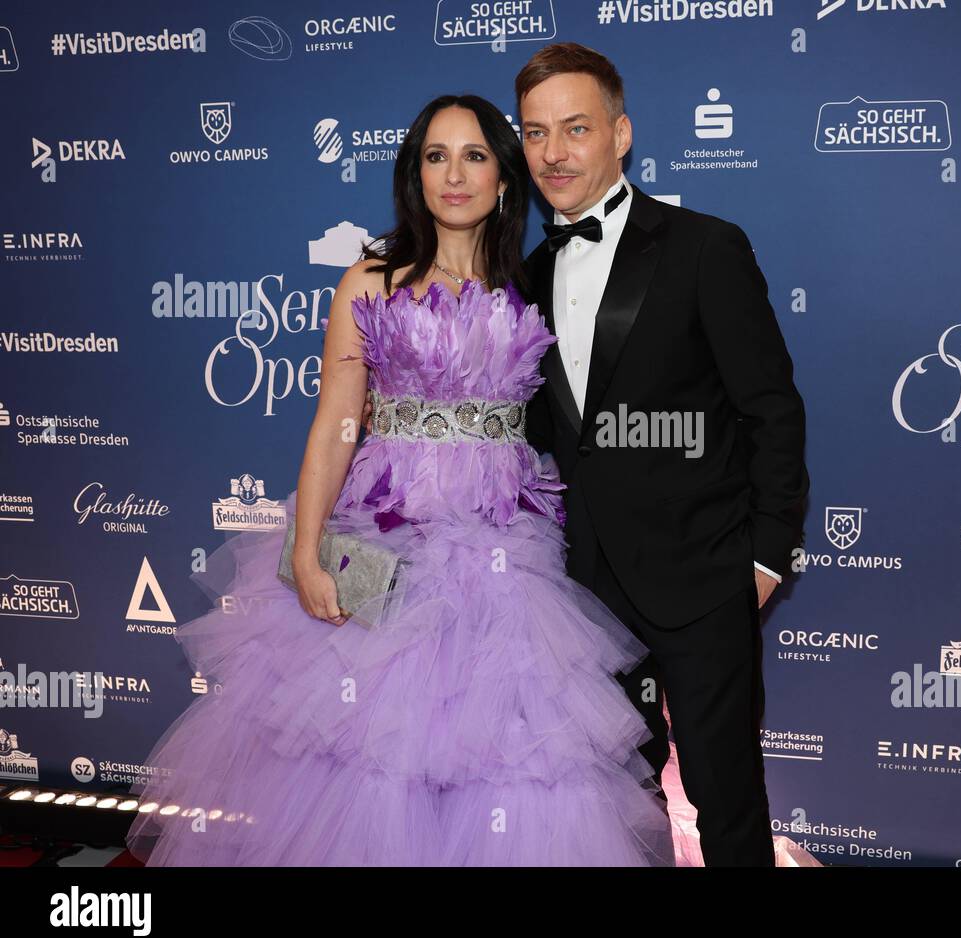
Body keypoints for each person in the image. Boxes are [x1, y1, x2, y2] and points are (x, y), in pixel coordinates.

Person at [124, 93, 676, 867]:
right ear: (414, 175)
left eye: (476, 155)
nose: (455, 174)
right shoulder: (371, 280)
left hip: (505, 548)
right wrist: (308, 548)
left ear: (505, 178)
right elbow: (336, 420)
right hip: (389, 536)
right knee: (372, 754)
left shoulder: (538, 282)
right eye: (436, 156)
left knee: (511, 756)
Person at [515, 43, 810, 867]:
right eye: (536, 133)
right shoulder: (527, 275)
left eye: (575, 128)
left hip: (705, 572)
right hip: (581, 590)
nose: (554, 153)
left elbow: (771, 411)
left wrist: (765, 557)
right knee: (609, 802)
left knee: (726, 798)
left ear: (621, 133)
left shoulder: (705, 247)